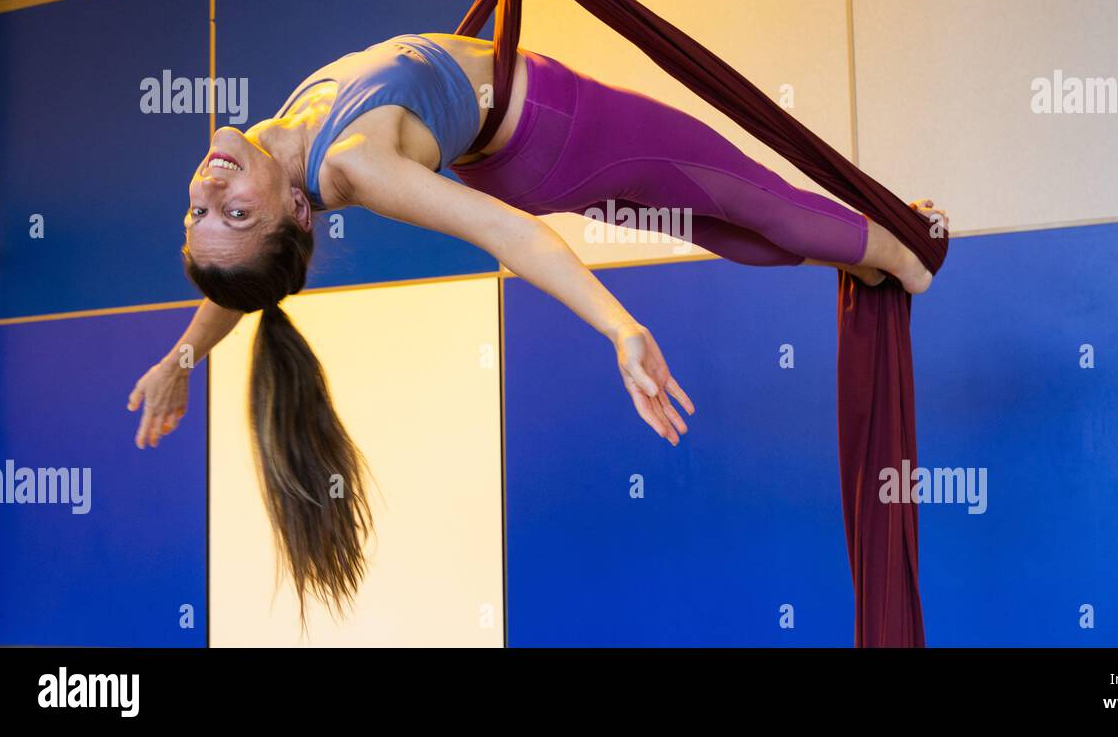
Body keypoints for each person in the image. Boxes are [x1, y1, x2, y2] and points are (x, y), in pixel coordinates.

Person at [126, 31, 947, 619]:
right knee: (740, 195)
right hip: (564, 130)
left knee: (716, 222)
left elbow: (247, 284)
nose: (212, 183)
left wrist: (183, 355)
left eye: (200, 208)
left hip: (532, 137)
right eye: (231, 209)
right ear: (298, 213)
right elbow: (509, 236)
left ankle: (865, 260)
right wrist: (620, 328)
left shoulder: (273, 148)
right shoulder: (351, 163)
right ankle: (911, 254)